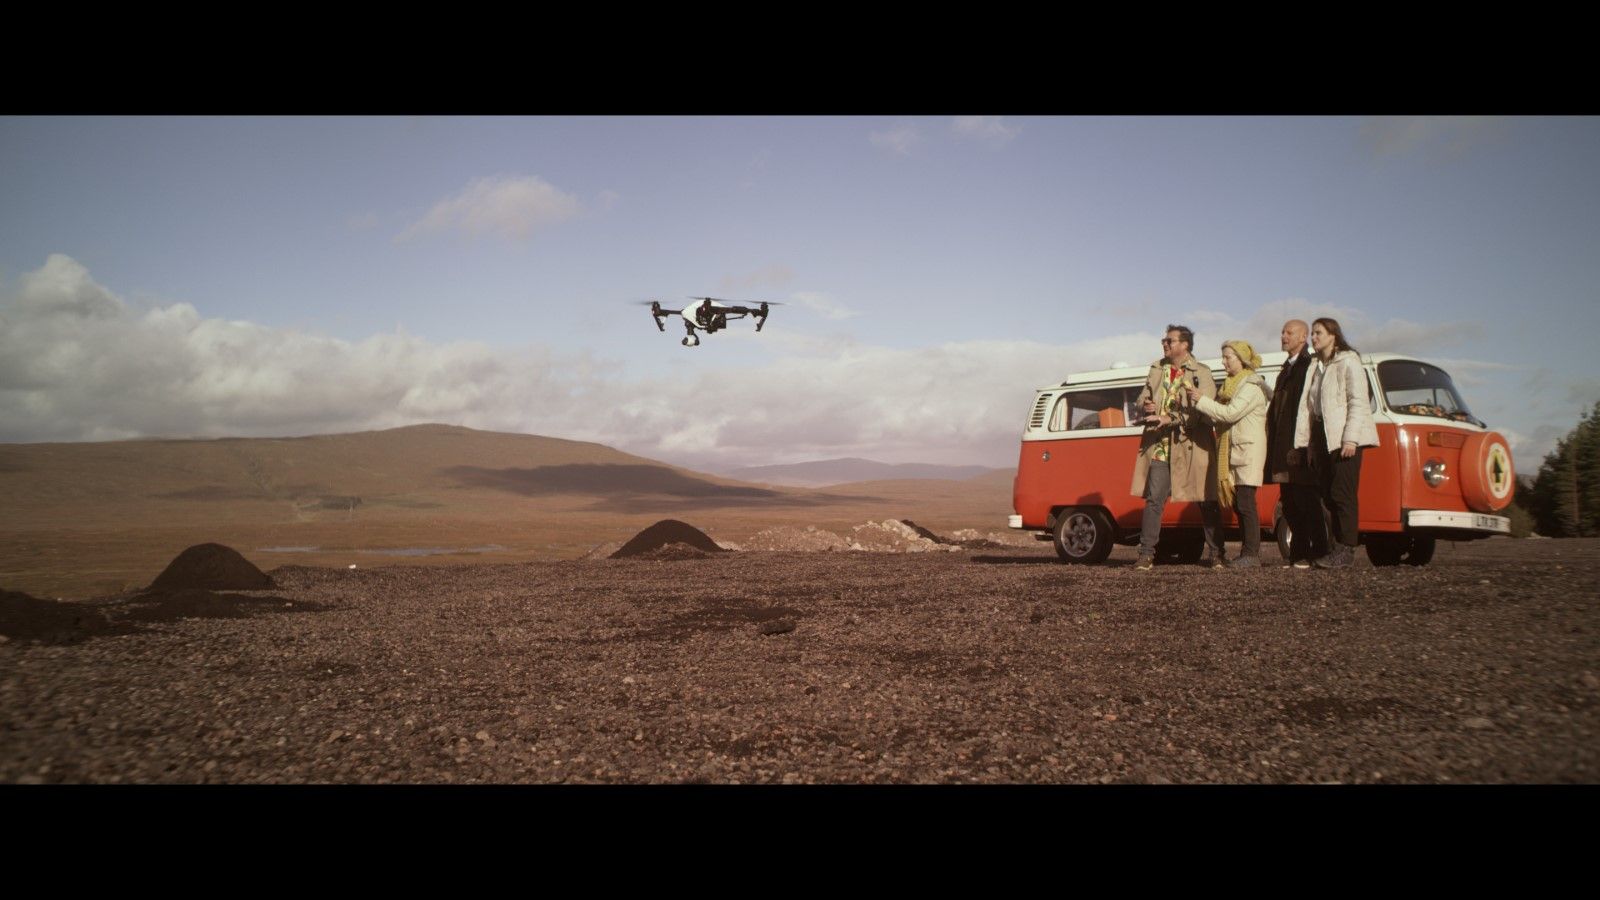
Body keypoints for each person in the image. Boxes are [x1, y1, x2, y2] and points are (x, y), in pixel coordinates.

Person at [1130, 324, 1222, 570]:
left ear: (1185, 345)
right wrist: (1146, 405)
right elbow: (1141, 398)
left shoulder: (1201, 372)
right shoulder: (1157, 369)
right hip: (1160, 445)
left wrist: (1171, 419)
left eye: (1170, 340)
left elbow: (1207, 407)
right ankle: (1146, 554)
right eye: (1164, 340)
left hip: (1192, 445)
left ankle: (1216, 554)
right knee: (1154, 500)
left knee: (1206, 498)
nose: (1165, 344)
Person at [1294, 317, 1379, 568]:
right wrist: (1308, 444)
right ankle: (1335, 548)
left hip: (1345, 436)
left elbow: (1358, 402)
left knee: (1343, 494)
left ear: (1333, 335)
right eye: (1313, 334)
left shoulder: (1349, 361)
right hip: (1322, 436)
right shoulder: (1316, 366)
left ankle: (1346, 549)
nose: (1314, 338)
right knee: (1328, 495)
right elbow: (1309, 408)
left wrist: (1350, 438)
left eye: (1319, 333)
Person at [1187, 340, 1272, 568]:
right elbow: (1220, 415)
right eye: (1223, 357)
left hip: (1248, 451)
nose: (1223, 361)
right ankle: (1248, 553)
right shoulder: (1230, 386)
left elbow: (1230, 413)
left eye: (1228, 357)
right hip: (1236, 451)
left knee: (1245, 504)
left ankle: (1251, 554)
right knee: (1240, 504)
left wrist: (1200, 400)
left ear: (1241, 359)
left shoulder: (1251, 386)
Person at [1266, 320, 1328, 568]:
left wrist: (1304, 445)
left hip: (1299, 444)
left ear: (1303, 337)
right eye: (1282, 332)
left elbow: (1309, 408)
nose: (1283, 336)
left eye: (1289, 332)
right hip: (1282, 446)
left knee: (1307, 500)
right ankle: (1298, 554)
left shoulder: (1308, 366)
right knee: (1290, 502)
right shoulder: (1286, 369)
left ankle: (1320, 551)